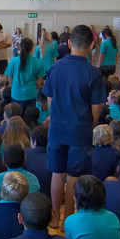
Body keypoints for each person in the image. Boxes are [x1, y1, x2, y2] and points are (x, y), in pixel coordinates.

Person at [43, 25, 106, 223]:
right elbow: (97, 107)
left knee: (57, 173)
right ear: (92, 46)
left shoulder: (55, 67)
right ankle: (68, 218)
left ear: (69, 43)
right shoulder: (93, 73)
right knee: (74, 176)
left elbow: (50, 101)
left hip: (57, 128)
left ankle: (54, 217)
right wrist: (88, 122)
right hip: (80, 129)